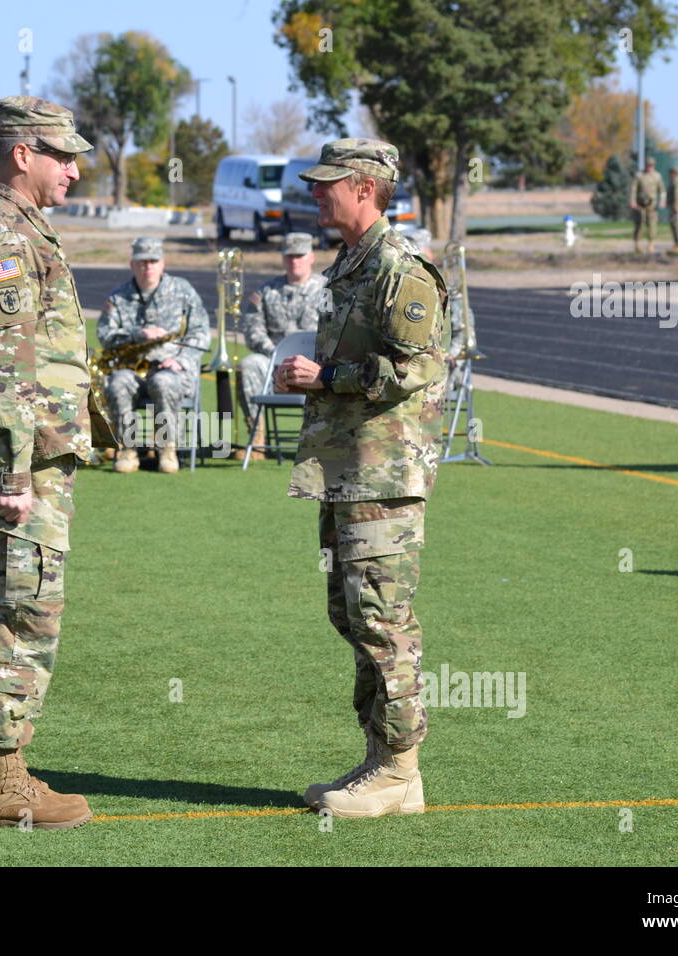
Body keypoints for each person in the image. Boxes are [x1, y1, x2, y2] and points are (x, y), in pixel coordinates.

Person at [0, 96, 114, 828]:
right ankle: (2, 786)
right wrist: (15, 474)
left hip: (30, 460)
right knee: (21, 613)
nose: (74, 170)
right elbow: (0, 367)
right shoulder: (2, 238)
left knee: (22, 608)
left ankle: (9, 768)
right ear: (21, 153)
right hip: (19, 468)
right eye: (62, 155)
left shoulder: (14, 229)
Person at [276, 138, 449, 818]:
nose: (316, 194)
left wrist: (328, 379)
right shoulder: (352, 263)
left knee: (384, 620)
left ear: (366, 189)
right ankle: (380, 758)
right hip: (348, 469)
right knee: (351, 614)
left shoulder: (398, 266)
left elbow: (417, 370)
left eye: (328, 184)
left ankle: (402, 772)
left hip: (384, 472)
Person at [97, 237, 210, 474]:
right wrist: (137, 334)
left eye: (153, 261)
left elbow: (201, 333)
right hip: (132, 369)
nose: (147, 266)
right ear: (132, 265)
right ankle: (128, 449)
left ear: (163, 264)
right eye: (142, 262)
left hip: (173, 370)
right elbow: (104, 334)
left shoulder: (182, 291)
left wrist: (180, 360)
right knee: (118, 383)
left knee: (164, 380)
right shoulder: (119, 296)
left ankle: (167, 449)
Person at [237, 231, 327, 462]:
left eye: (300, 255)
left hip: (317, 367)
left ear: (311, 257)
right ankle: (257, 437)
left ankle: (326, 440)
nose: (294, 261)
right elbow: (252, 328)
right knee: (249, 364)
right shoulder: (266, 292)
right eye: (289, 256)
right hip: (275, 364)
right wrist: (277, 356)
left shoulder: (330, 291)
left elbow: (337, 330)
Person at [630, 157, 665, 254]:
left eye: (652, 165)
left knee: (652, 225)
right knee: (639, 224)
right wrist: (632, 201)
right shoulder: (639, 175)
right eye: (648, 165)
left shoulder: (657, 176)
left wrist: (662, 201)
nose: (650, 167)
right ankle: (637, 245)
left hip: (651, 205)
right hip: (640, 205)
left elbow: (662, 190)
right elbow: (634, 189)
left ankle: (651, 244)